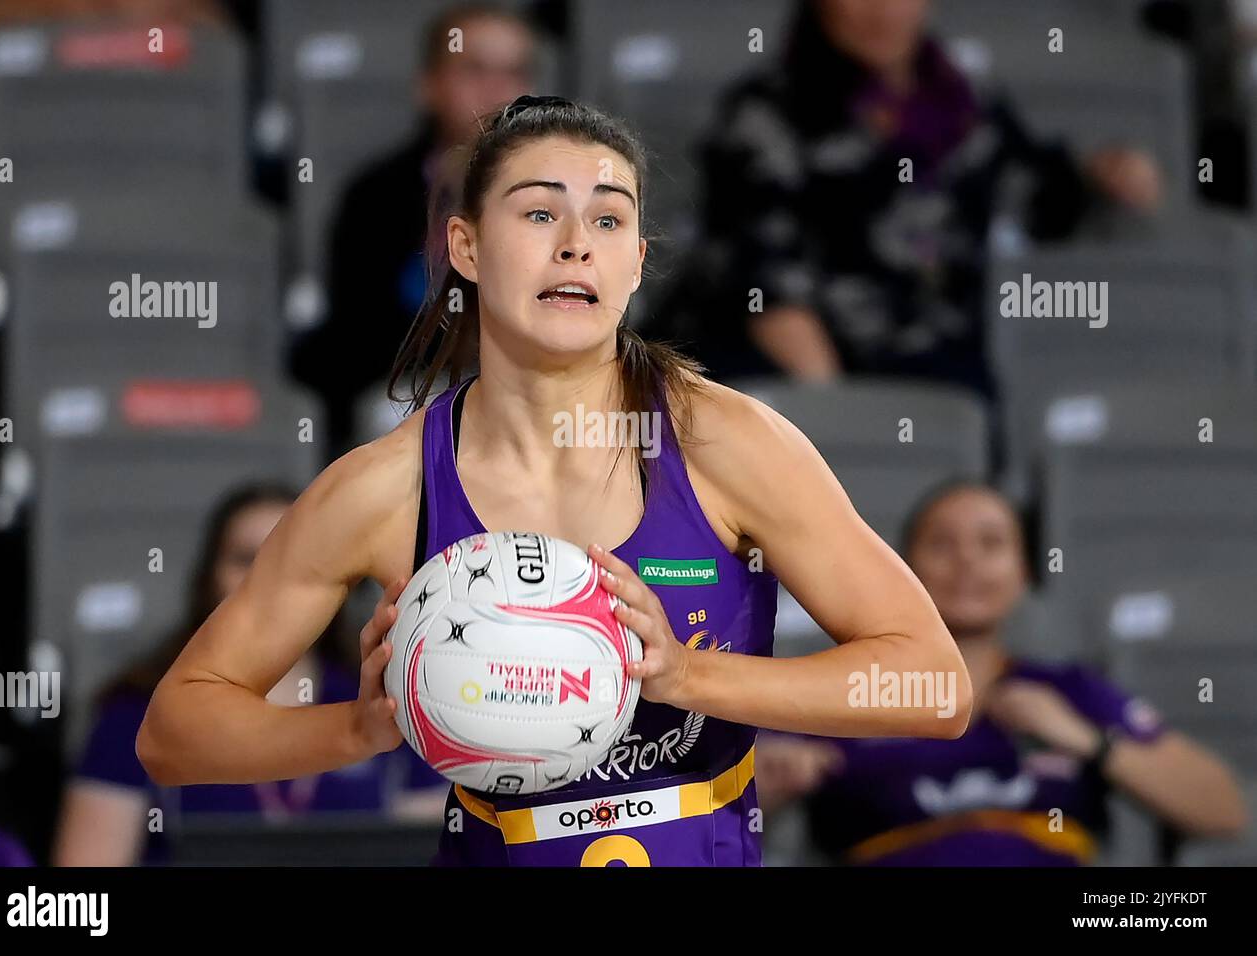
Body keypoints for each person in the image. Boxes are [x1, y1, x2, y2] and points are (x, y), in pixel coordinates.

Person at [137, 94, 975, 868]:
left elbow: (934, 686)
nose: (576, 242)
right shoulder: (385, 487)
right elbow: (175, 731)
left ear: (637, 262)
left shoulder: (726, 442)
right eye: (540, 211)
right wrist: (358, 729)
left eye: (609, 220)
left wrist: (688, 676)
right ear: (464, 246)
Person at [661, 0, 1162, 400]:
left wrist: (1104, 172)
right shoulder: (762, 114)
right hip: (798, 365)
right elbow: (760, 278)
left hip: (934, 362)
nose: (883, 10)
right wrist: (836, 413)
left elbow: (1035, 193)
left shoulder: (968, 104)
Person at [757, 480, 1248, 865]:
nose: (967, 560)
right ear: (903, 571)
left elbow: (1224, 811)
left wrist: (1087, 741)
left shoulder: (1070, 691)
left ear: (1024, 574)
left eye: (991, 544)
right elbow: (710, 830)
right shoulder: (844, 697)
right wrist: (768, 789)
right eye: (942, 544)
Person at [54, 483, 444, 866]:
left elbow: (428, 851)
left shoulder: (388, 696)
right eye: (245, 559)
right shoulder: (137, 712)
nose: (267, 581)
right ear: (208, 578)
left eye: (290, 559)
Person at [289, 2, 537, 459]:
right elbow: (358, 330)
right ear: (429, 86)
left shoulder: (561, 192)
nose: (497, 90)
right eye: (475, 70)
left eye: (513, 72)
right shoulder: (376, 196)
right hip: (408, 391)